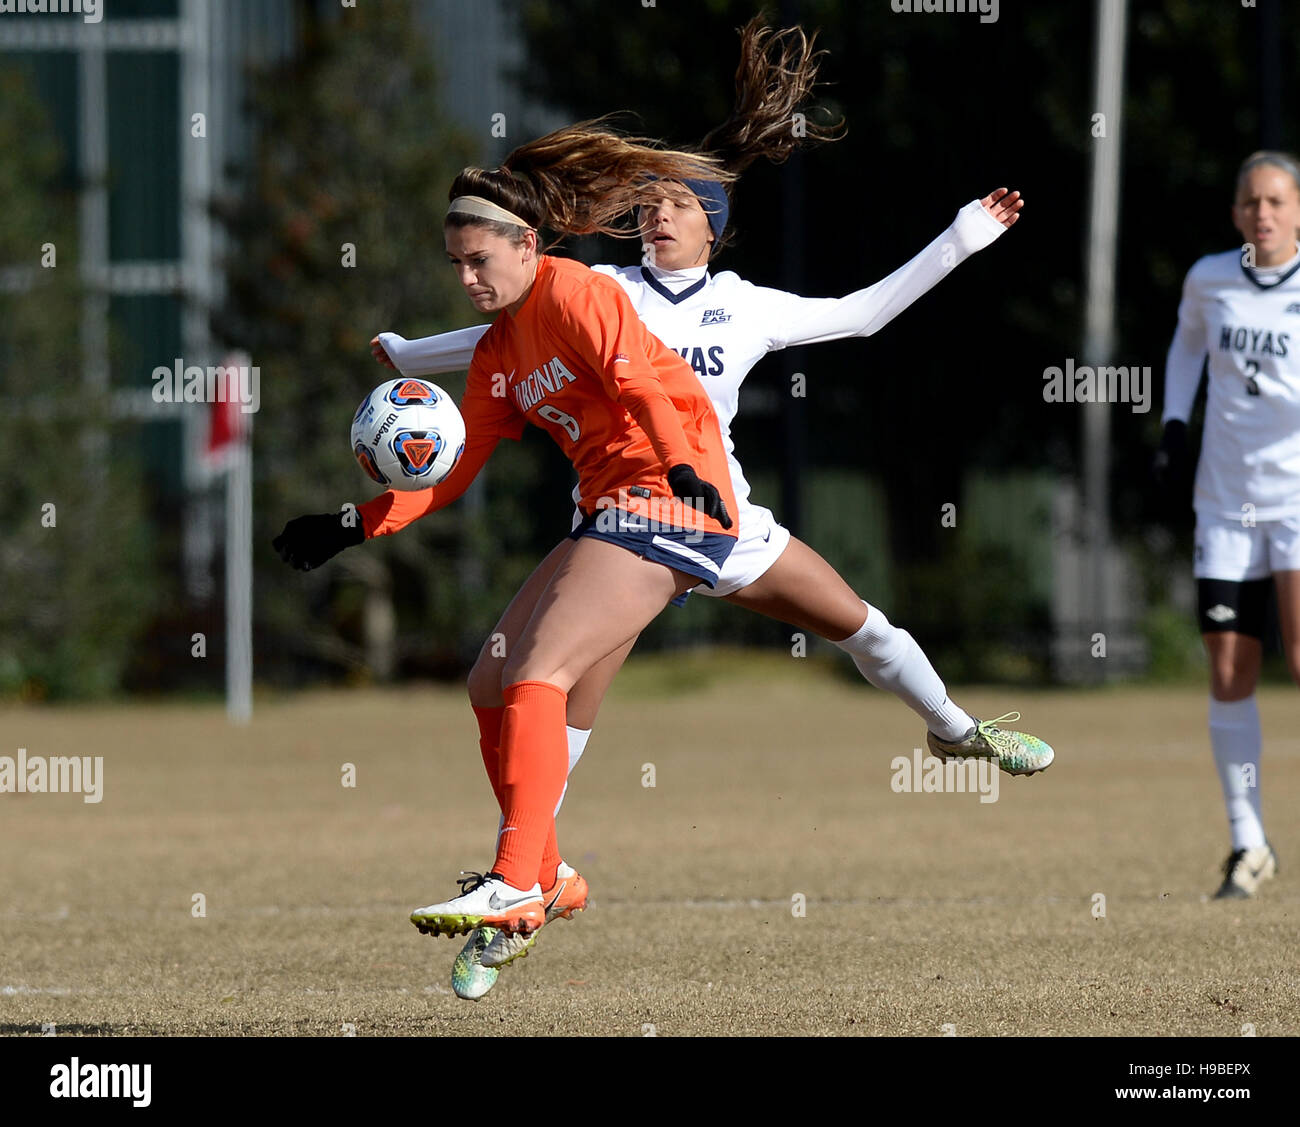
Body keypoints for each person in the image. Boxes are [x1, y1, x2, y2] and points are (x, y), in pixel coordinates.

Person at [362, 20, 1055, 994]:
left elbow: (862, 313)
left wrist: (960, 237)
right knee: (546, 707)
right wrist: (408, 352)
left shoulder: (749, 306)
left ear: (714, 226)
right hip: (623, 523)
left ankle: (956, 730)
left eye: (678, 204)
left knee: (864, 627)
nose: (657, 215)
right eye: (648, 204)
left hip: (715, 519)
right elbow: (498, 333)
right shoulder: (600, 287)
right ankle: (523, 893)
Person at [274, 125, 743, 953]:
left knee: (538, 671)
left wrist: (679, 467)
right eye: (455, 263)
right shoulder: (496, 353)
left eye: (478, 261)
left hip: (675, 499)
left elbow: (640, 385)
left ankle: (513, 876)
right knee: (490, 680)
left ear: (528, 246)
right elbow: (449, 478)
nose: (465, 278)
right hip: (612, 510)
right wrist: (353, 522)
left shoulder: (576, 293)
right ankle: (551, 875)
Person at [1154, 149, 1300, 900]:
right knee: (1228, 669)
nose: (1262, 214)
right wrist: (1175, 422)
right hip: (1225, 503)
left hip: (1297, 502)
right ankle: (1249, 841)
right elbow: (1185, 346)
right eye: (1250, 202)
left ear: (1298, 210)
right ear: (1237, 212)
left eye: (1275, 201)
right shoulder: (1210, 277)